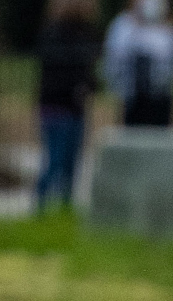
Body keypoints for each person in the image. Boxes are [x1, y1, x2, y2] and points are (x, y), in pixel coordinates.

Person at [34, 0, 101, 212]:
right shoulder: (54, 35)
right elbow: (58, 71)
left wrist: (89, 84)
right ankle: (40, 208)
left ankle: (64, 209)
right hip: (57, 108)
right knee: (55, 162)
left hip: (75, 108)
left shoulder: (86, 35)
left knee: (71, 165)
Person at [104, 0, 173, 127]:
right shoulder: (124, 24)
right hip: (131, 96)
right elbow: (116, 56)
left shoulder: (167, 28)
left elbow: (169, 60)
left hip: (159, 96)